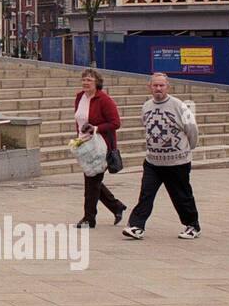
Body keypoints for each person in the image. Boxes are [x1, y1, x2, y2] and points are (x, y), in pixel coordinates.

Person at [122, 72, 201, 240]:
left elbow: (192, 130)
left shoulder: (180, 106)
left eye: (161, 85)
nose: (158, 88)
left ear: (168, 87)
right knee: (146, 194)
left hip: (177, 162)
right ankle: (136, 226)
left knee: (182, 196)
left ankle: (192, 225)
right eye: (155, 85)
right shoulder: (146, 106)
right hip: (153, 162)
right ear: (149, 87)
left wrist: (187, 150)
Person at [73, 68, 126, 228]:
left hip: (100, 146)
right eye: (84, 79)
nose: (85, 83)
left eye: (89, 80)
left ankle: (89, 218)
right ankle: (116, 206)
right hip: (85, 145)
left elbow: (115, 123)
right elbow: (79, 120)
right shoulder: (79, 97)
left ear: (97, 82)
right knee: (93, 180)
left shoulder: (104, 99)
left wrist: (96, 128)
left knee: (91, 182)